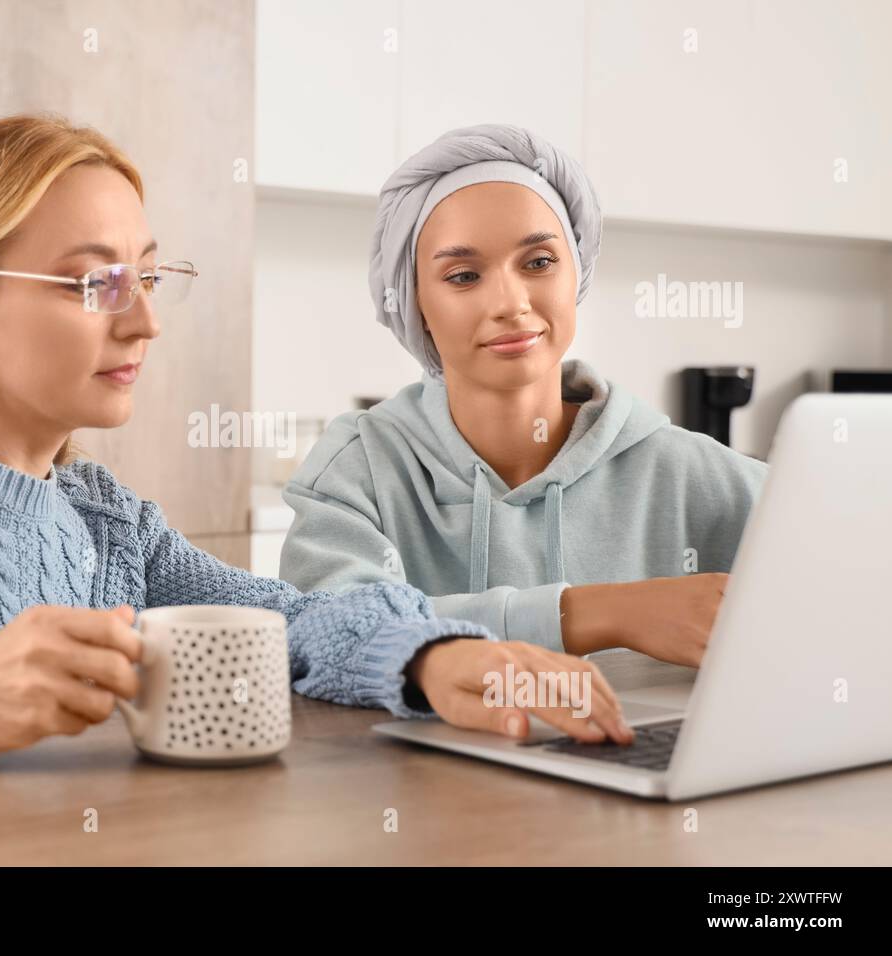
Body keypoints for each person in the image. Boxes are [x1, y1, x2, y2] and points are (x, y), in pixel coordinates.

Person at [0, 115, 635, 776]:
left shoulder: (102, 519)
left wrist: (434, 658)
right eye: (96, 284)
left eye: (147, 276)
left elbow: (292, 620)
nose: (143, 322)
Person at [280, 124, 765, 738]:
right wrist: (599, 613)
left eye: (538, 262)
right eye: (462, 276)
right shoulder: (359, 469)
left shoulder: (684, 469)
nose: (510, 302)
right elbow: (322, 630)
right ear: (414, 302)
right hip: (419, 811)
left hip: (635, 806)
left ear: (576, 274)